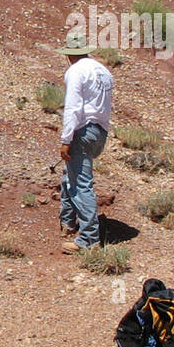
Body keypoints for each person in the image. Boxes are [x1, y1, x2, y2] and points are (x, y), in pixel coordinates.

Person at [56, 30, 114, 253]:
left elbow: (73, 107)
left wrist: (66, 138)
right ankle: (68, 221)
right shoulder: (104, 71)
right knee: (70, 174)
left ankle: (89, 239)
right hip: (100, 132)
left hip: (83, 130)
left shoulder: (75, 71)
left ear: (69, 54)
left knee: (81, 183)